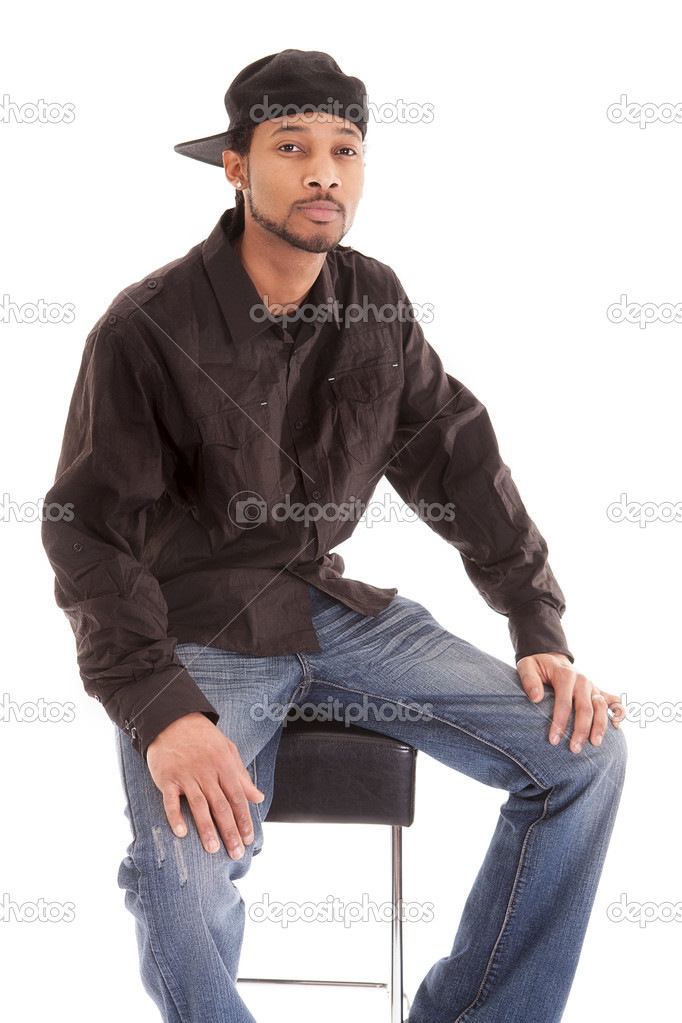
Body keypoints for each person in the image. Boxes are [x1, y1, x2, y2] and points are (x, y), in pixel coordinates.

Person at [41, 48, 627, 1023]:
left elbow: (460, 462)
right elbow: (91, 535)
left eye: (345, 149)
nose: (325, 171)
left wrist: (540, 629)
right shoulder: (146, 329)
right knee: (176, 879)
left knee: (586, 755)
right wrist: (160, 708)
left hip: (334, 612)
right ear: (236, 167)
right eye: (293, 146)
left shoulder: (373, 304)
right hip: (194, 637)